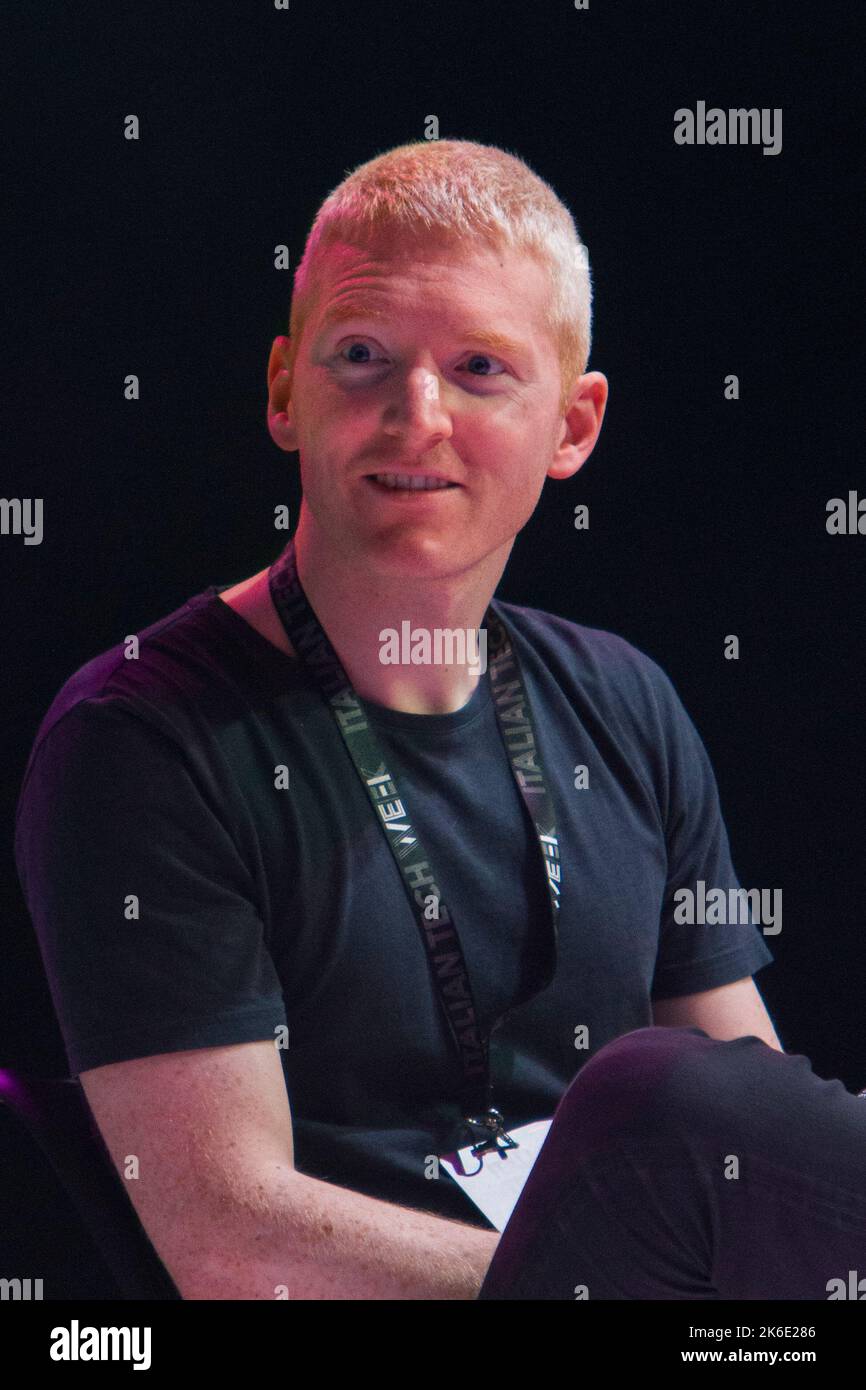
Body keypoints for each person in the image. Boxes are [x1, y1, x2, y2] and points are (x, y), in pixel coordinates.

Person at [14, 140, 865, 1301]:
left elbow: (758, 1147)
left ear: (571, 427)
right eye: (361, 356)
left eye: (476, 369)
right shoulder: (140, 737)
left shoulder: (622, 700)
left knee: (698, 1105)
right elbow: (228, 1242)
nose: (415, 417)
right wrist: (608, 1278)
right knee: (651, 1102)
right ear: (282, 392)